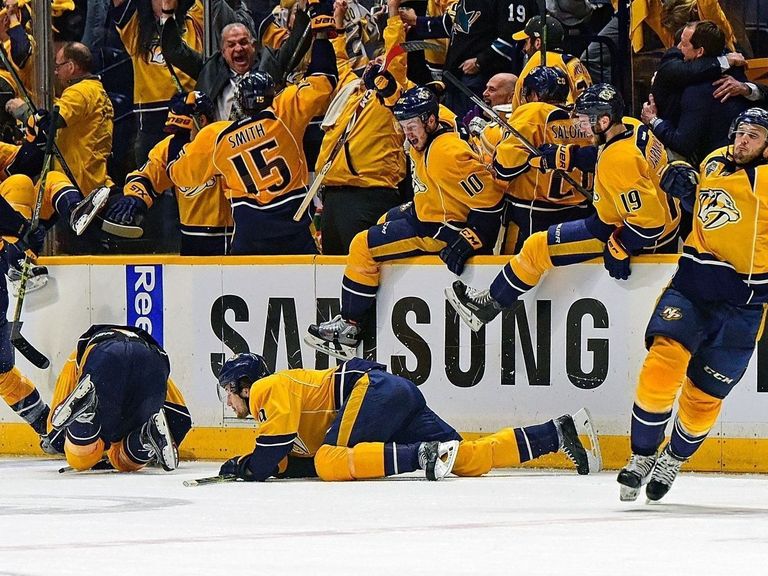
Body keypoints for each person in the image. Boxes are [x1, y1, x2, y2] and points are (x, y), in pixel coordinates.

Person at [616, 108, 768, 502]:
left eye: (754, 136)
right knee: (660, 367)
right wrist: (682, 183)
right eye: (740, 133)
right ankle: (641, 455)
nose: (743, 141)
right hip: (693, 287)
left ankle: (673, 458)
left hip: (745, 306)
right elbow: (697, 196)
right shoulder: (715, 161)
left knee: (704, 397)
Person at [445, 84, 680, 331]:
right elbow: (603, 154)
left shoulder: (618, 160)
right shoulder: (633, 127)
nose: (583, 128)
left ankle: (485, 306)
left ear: (604, 120)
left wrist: (621, 244)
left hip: (632, 232)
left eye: (588, 121)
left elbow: (650, 225)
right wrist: (566, 156)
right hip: (664, 228)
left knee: (537, 247)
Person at [305, 85, 504, 360]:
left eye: (412, 125)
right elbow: (411, 98)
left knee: (362, 244)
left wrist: (474, 237)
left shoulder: (447, 154)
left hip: (440, 226)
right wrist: (387, 85)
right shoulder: (434, 123)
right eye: (403, 125)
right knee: (385, 219)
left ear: (430, 121)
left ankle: (348, 328)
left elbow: (492, 199)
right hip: (428, 205)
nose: (407, 133)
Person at [215, 352, 602, 481]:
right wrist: (261, 465)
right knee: (463, 458)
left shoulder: (268, 388)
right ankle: (556, 433)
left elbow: (271, 455)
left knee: (329, 462)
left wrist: (243, 465)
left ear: (246, 385)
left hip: (370, 391)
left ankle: (420, 455)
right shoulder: (278, 402)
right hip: (390, 395)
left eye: (230, 392)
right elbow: (283, 462)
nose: (230, 403)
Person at [167, 22, 338, 255]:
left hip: (250, 236)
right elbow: (323, 80)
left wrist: (179, 127)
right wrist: (321, 35)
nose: (238, 48)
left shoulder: (217, 137)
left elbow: (178, 173)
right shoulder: (284, 115)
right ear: (273, 94)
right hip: (294, 232)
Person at [315, 0, 407, 255]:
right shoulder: (350, 91)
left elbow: (396, 56)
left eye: (380, 59)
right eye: (371, 59)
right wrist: (339, 23)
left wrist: (393, 13)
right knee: (332, 274)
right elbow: (339, 63)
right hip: (334, 195)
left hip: (368, 194)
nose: (374, 62)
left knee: (363, 270)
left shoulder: (389, 96)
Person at [45, 324, 192, 472]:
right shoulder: (146, 351)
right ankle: (145, 436)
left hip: (105, 358)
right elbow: (181, 418)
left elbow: (54, 431)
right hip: (153, 362)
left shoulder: (74, 358)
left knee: (81, 459)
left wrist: (66, 440)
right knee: (122, 457)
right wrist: (153, 454)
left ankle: (85, 417)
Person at [102, 91, 234, 255]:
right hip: (191, 240)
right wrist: (135, 196)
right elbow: (146, 175)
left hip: (232, 239)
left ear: (202, 120)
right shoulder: (171, 146)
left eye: (184, 130)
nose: (179, 138)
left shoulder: (227, 139)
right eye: (175, 129)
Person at [493, 66, 594, 253]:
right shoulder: (582, 118)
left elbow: (504, 167)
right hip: (580, 214)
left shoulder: (533, 112)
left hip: (534, 214)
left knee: (525, 272)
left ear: (535, 95)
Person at [161, 0, 312, 121]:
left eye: (243, 42)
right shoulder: (209, 68)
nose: (238, 48)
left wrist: (302, 8)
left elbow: (299, 41)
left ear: (254, 45)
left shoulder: (270, 62)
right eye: (231, 45)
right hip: (221, 147)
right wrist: (167, 13)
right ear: (223, 51)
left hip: (263, 143)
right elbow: (174, 50)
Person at [399, 0, 538, 116]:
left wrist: (480, 61)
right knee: (458, 127)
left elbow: (511, 38)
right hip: (456, 76)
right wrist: (417, 21)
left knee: (475, 128)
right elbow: (456, 26)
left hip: (483, 78)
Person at [641, 21, 750, 166]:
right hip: (731, 151)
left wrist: (653, 120)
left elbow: (682, 144)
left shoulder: (699, 90)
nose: (679, 48)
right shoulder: (673, 61)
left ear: (700, 51)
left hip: (710, 158)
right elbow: (687, 71)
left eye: (684, 44)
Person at [51, 41, 115, 197]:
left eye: (58, 67)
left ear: (71, 67)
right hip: (95, 179)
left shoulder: (78, 92)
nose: (56, 72)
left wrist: (23, 110)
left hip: (77, 182)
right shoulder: (97, 90)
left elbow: (53, 121)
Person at [510, 15, 592, 109]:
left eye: (527, 41)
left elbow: (518, 106)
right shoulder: (574, 61)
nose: (525, 47)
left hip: (556, 121)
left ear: (538, 42)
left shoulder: (541, 60)